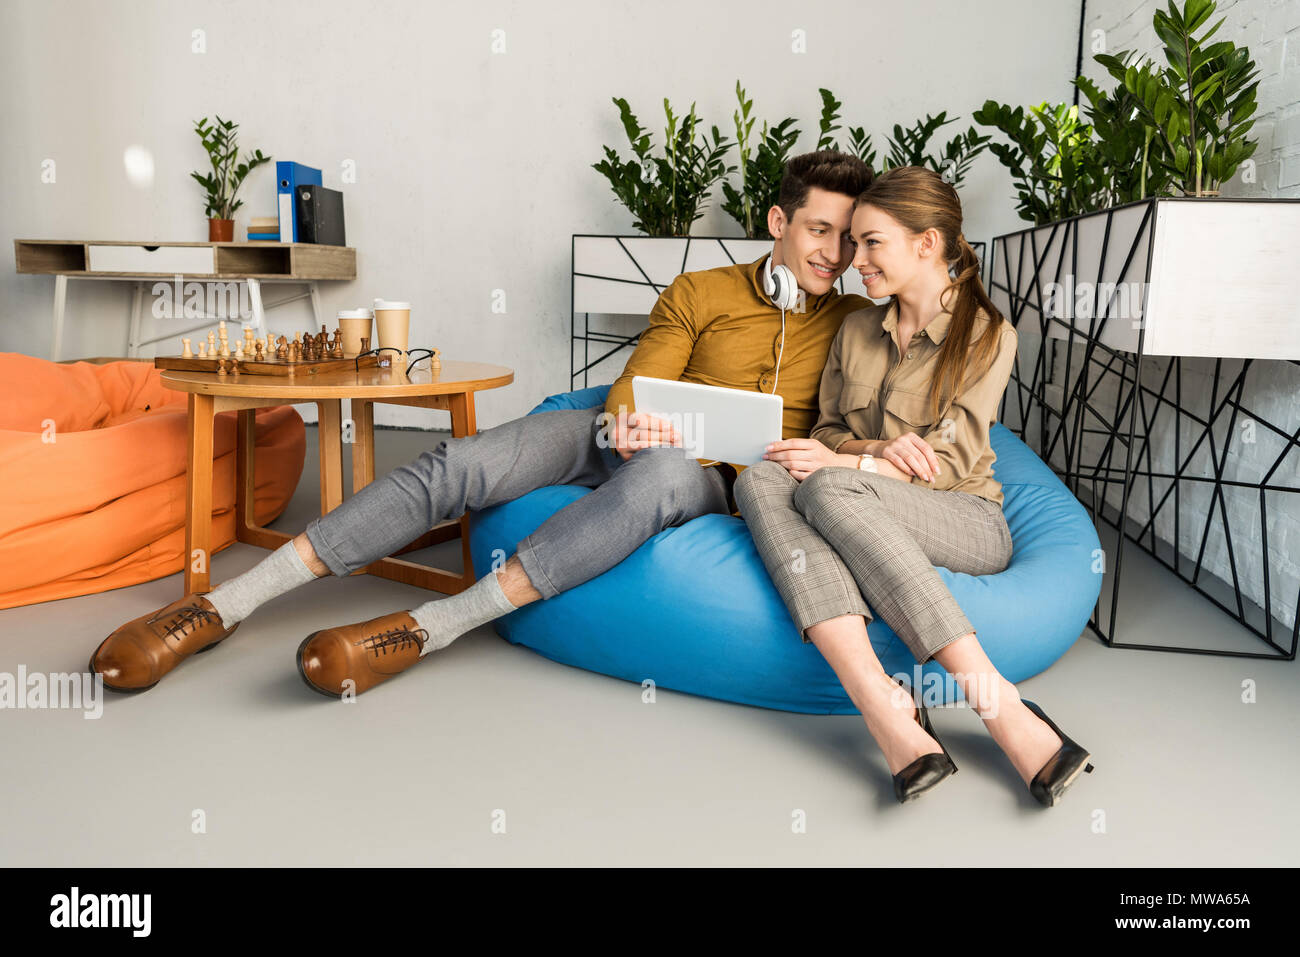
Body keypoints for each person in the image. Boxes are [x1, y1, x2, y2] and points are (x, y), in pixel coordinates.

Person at [90, 149, 876, 699]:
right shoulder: (700, 289)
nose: (833, 252)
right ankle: (225, 606)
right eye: (819, 229)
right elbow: (639, 375)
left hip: (709, 476)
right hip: (624, 435)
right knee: (461, 464)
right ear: (779, 220)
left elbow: (851, 421)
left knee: (669, 475)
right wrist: (629, 421)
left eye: (846, 238)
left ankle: (431, 626)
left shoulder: (847, 322)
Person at [733, 165, 1094, 807]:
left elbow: (946, 464)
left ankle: (999, 704)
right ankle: (883, 704)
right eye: (855, 242)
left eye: (872, 242)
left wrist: (847, 465)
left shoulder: (987, 334)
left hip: (964, 520)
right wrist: (870, 450)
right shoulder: (855, 330)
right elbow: (831, 431)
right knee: (764, 476)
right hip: (869, 504)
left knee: (822, 488)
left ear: (926, 243)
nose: (854, 258)